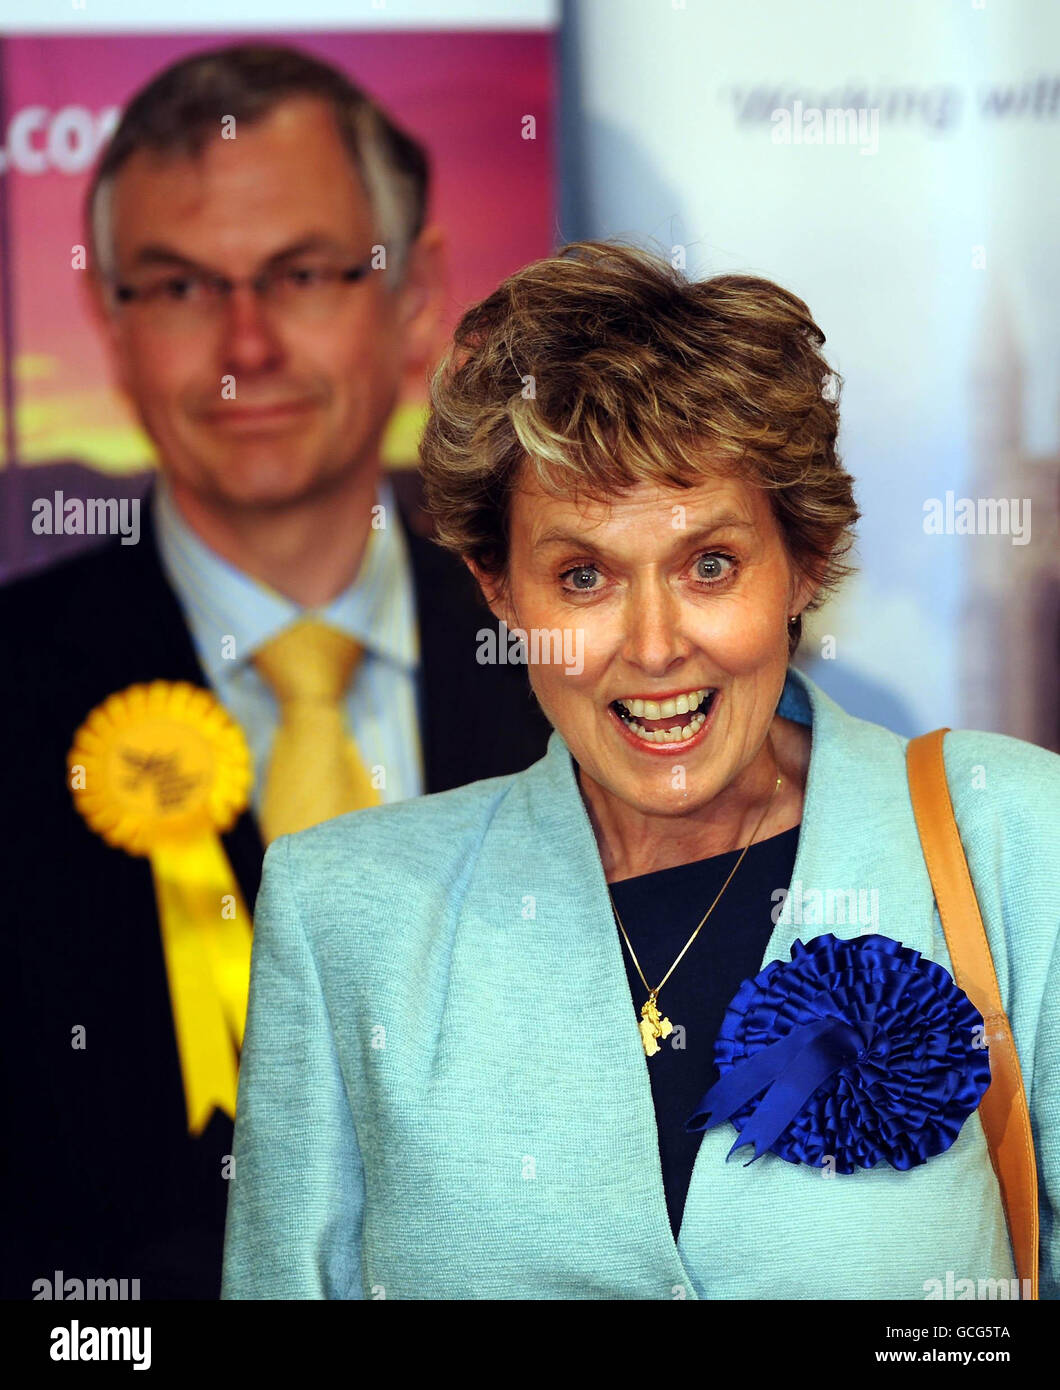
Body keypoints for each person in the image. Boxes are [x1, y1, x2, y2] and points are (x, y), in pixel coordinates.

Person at [220, 238, 1059, 1300]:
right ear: (498, 589)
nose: (655, 644)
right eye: (582, 576)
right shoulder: (346, 912)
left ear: (802, 562)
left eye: (710, 563)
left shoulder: (1011, 836)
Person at [0, 44, 549, 1301]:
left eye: (302, 273)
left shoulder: (577, 676)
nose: (245, 342)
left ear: (416, 299)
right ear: (113, 325)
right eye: (182, 286)